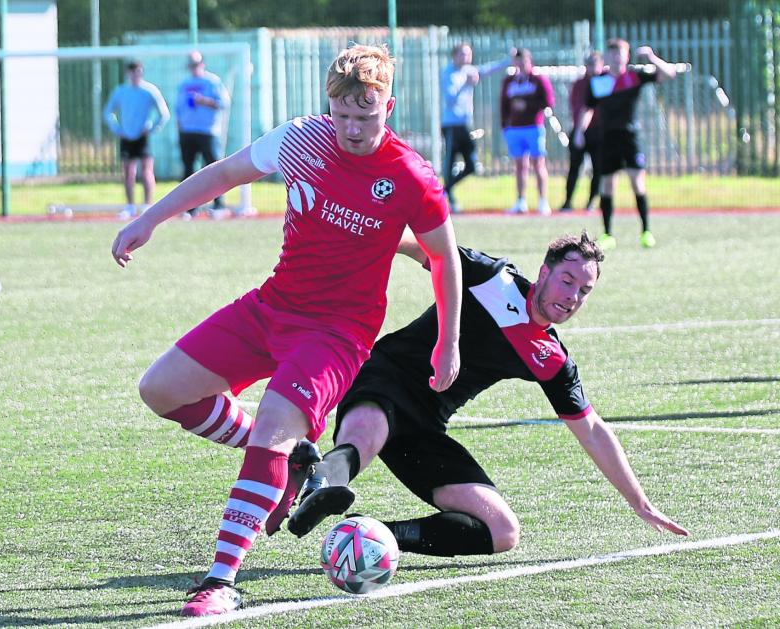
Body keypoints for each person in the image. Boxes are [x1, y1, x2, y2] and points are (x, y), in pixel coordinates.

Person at [110, 44, 462, 617]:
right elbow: (226, 173)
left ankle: (221, 579)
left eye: (365, 117)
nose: (351, 128)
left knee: (274, 421)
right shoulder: (302, 139)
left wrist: (448, 342)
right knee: (161, 389)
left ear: (389, 108)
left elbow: (445, 260)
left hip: (338, 333)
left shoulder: (411, 176)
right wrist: (150, 218)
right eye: (342, 115)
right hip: (272, 305)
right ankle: (288, 463)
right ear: (329, 107)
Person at [286, 230, 689, 557]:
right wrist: (355, 243)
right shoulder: (491, 278)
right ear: (544, 273)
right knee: (367, 435)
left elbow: (593, 431)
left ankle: (369, 535)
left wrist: (641, 503)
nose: (572, 296)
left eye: (584, 291)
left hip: (425, 428)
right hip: (386, 379)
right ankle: (320, 481)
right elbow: (415, 245)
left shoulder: (550, 358)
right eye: (567, 281)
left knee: (501, 531)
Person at [574, 40, 676, 250]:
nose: (616, 58)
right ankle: (608, 234)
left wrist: (652, 58)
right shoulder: (599, 82)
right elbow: (588, 108)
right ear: (607, 58)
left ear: (627, 56)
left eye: (620, 54)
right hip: (607, 139)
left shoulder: (634, 77)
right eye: (612, 54)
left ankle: (646, 232)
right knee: (607, 185)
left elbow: (669, 74)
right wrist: (579, 131)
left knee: (637, 184)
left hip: (630, 138)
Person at [440, 42, 509, 214]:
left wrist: (508, 61)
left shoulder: (469, 70)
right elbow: (450, 99)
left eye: (469, 54)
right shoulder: (448, 73)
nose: (467, 58)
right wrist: (466, 84)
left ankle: (442, 192)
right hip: (451, 126)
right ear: (454, 55)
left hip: (464, 126)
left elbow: (487, 70)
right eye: (463, 54)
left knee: (472, 165)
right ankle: (449, 200)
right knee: (450, 165)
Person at [104, 60, 170, 220]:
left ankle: (148, 205)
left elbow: (164, 114)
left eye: (139, 72)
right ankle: (130, 206)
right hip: (127, 137)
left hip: (142, 137)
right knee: (128, 172)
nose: (136, 76)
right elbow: (107, 112)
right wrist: (118, 129)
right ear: (128, 74)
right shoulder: (120, 91)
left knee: (147, 171)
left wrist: (151, 127)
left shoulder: (149, 91)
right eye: (133, 73)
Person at [500, 48, 555, 216]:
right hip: (515, 129)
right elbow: (503, 104)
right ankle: (520, 201)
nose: (520, 65)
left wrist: (528, 106)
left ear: (529, 61)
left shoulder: (538, 79)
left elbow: (549, 102)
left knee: (538, 164)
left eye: (523, 61)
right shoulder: (509, 81)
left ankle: (542, 201)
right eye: (517, 62)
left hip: (533, 127)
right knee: (519, 166)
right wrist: (505, 126)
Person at [176, 51, 231, 217]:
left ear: (203, 64)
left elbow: (224, 103)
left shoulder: (213, 82)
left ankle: (219, 205)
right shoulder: (183, 84)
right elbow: (178, 109)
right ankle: (190, 208)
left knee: (214, 168)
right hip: (187, 132)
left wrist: (204, 101)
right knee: (188, 170)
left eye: (196, 64)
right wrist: (180, 129)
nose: (194, 67)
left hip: (208, 132)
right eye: (191, 64)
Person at [560, 52, 604, 213]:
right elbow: (578, 107)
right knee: (574, 168)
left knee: (598, 169)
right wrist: (579, 131)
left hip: (599, 132)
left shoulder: (604, 82)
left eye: (595, 64)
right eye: (589, 64)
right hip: (580, 130)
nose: (592, 68)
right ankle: (568, 201)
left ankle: (591, 201)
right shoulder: (580, 84)